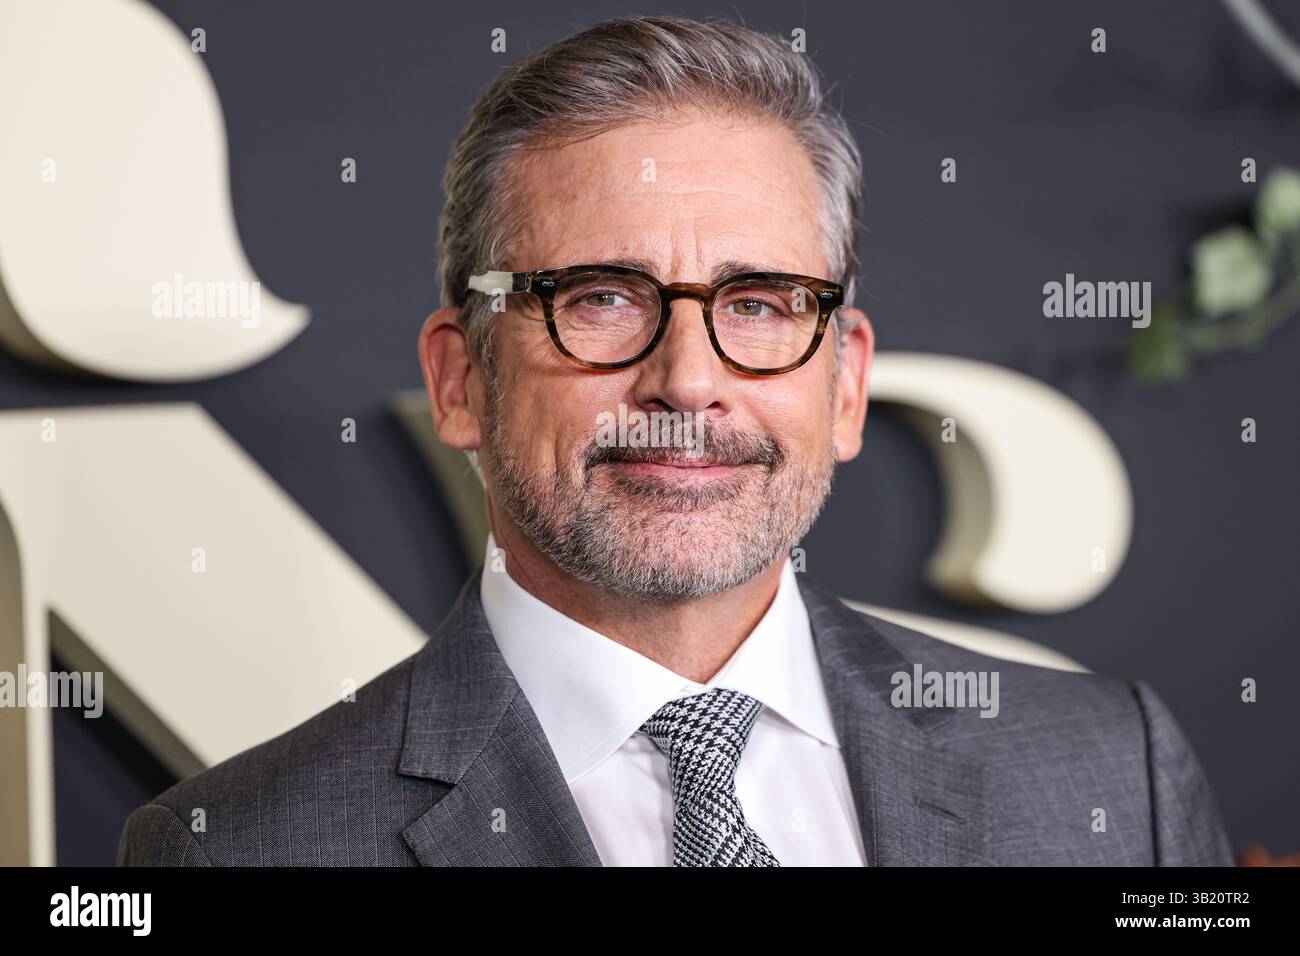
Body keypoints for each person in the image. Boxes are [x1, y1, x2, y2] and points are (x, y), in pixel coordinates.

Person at [118, 15, 1233, 867]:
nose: (688, 380)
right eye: (600, 297)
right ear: (461, 378)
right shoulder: (239, 846)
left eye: (757, 302)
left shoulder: (1109, 775)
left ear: (843, 384)